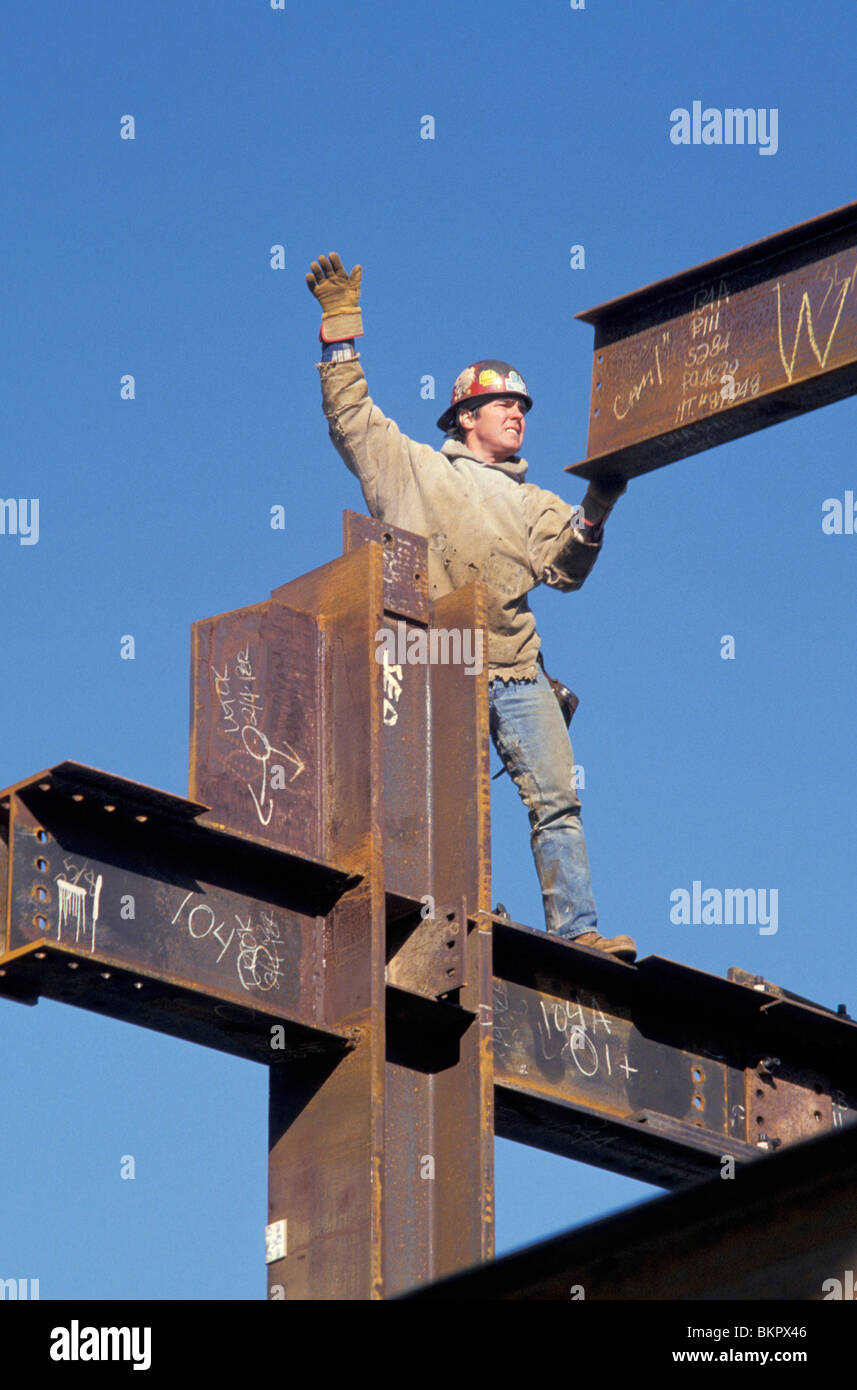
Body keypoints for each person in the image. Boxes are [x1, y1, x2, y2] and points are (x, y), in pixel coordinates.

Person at [306, 252, 637, 961]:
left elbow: (568, 568)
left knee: (557, 801)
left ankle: (577, 929)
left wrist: (597, 507)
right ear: (462, 416)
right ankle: (443, 921)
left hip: (516, 669)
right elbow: (352, 420)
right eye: (502, 405)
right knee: (433, 805)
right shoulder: (413, 469)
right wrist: (340, 327)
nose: (517, 415)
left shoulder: (533, 504)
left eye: (522, 407)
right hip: (434, 659)